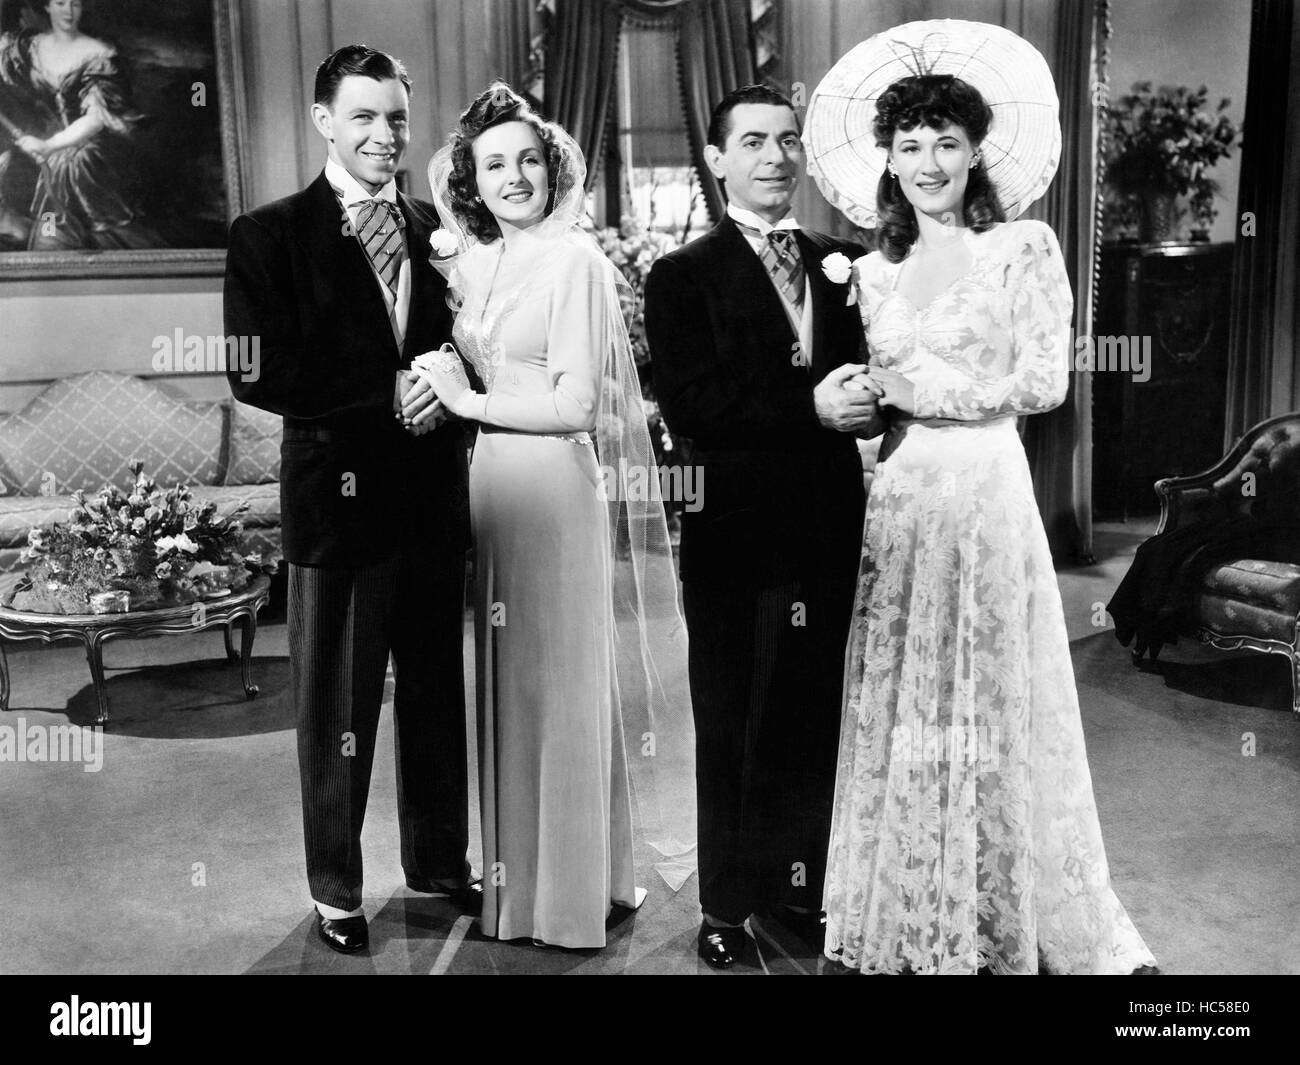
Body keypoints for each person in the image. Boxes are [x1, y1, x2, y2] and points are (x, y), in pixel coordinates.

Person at [803, 20, 1159, 974]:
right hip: (903, 495)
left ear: (975, 155)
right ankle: (918, 894)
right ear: (887, 157)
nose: (927, 162)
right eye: (909, 145)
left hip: (988, 486)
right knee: (908, 691)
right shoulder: (868, 273)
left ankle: (1001, 895)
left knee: (992, 689)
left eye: (946, 145)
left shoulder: (1022, 248)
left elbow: (1046, 380)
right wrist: (865, 410)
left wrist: (934, 394)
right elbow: (868, 399)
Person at [409, 83, 693, 950]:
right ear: (471, 180)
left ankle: (564, 901)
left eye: (528, 158)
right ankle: (527, 885)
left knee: (560, 687)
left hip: (555, 487)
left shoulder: (577, 262)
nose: (514, 175)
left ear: (553, 165)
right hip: (492, 488)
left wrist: (466, 399)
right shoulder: (476, 262)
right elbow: (454, 339)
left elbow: (576, 406)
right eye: (493, 163)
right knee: (513, 687)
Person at [224, 45, 479, 956]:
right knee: (338, 709)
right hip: (339, 513)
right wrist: (392, 395)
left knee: (437, 699)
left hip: (435, 504)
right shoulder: (269, 233)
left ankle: (441, 865)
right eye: (365, 116)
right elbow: (258, 370)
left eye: (398, 118)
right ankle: (335, 887)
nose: (384, 134)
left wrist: (445, 377)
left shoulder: (434, 228)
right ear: (325, 120)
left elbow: (470, 345)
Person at [644, 84, 882, 968]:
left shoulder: (841, 260)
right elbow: (694, 405)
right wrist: (810, 405)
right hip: (735, 532)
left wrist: (868, 407)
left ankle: (798, 886)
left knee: (811, 714)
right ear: (717, 159)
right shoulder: (681, 274)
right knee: (735, 719)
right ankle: (724, 903)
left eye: (788, 140)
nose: (775, 156)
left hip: (827, 527)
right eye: (754, 141)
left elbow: (867, 374)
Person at [0, 0, 158, 249]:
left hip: (94, 161)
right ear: (48, 7)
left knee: (109, 237)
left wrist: (48, 144)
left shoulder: (98, 55)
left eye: (75, 4)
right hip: (55, 163)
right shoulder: (30, 47)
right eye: (61, 3)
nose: (69, 11)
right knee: (50, 236)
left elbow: (96, 119)